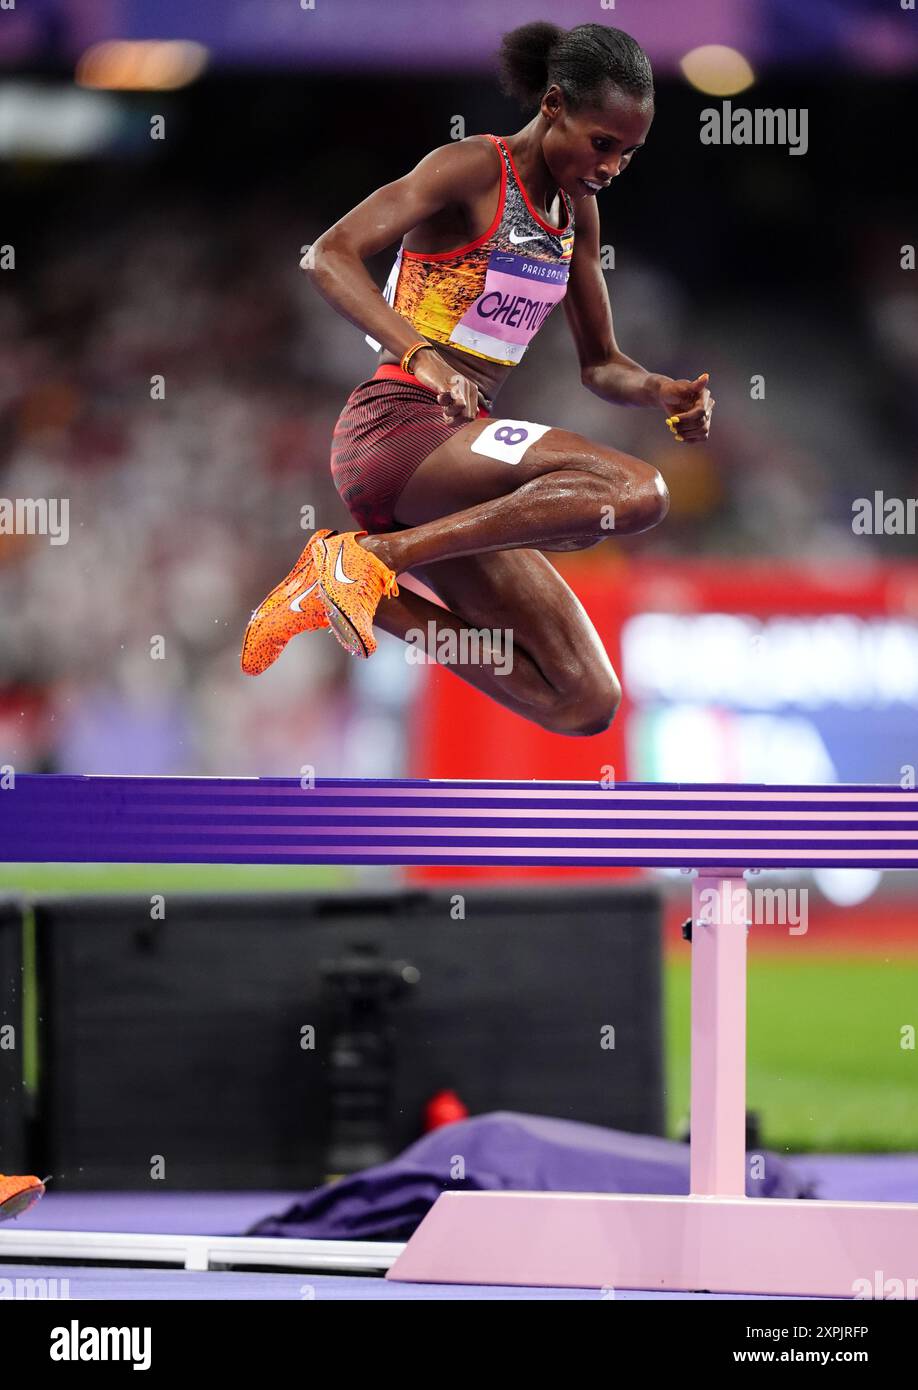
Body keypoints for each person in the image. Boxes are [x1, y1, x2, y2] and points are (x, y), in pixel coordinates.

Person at [242, 20, 714, 736]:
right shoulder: (471, 169)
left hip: (458, 460)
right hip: (396, 431)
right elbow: (329, 255)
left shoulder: (577, 212)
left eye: (629, 153)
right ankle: (378, 558)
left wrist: (660, 391)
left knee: (586, 699)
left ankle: (358, 587)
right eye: (602, 142)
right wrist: (421, 355)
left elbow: (601, 366)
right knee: (635, 492)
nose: (612, 166)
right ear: (553, 105)